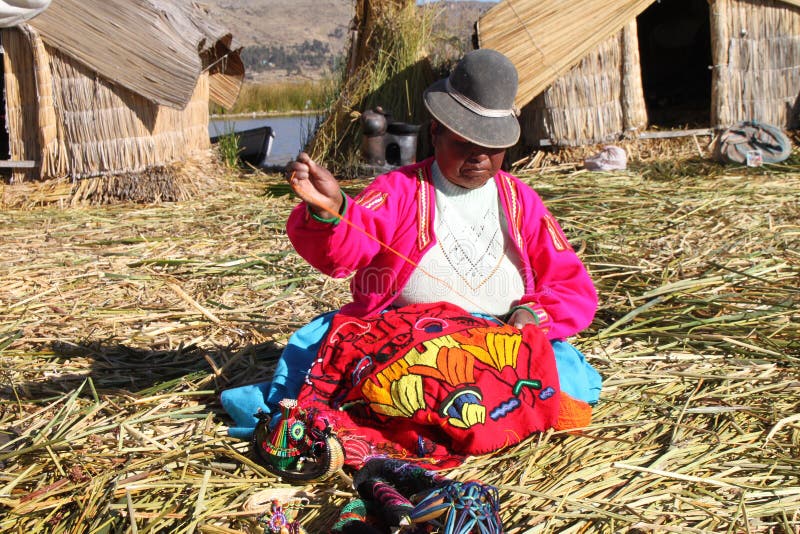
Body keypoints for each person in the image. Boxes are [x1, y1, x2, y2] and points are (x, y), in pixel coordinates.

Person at [221, 49, 601, 446]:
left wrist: (528, 314)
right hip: (409, 337)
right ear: (434, 131)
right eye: (463, 143)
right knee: (404, 385)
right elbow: (347, 249)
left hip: (499, 339)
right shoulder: (398, 191)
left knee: (533, 376)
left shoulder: (522, 202)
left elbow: (572, 287)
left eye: (493, 148)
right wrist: (332, 211)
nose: (479, 158)